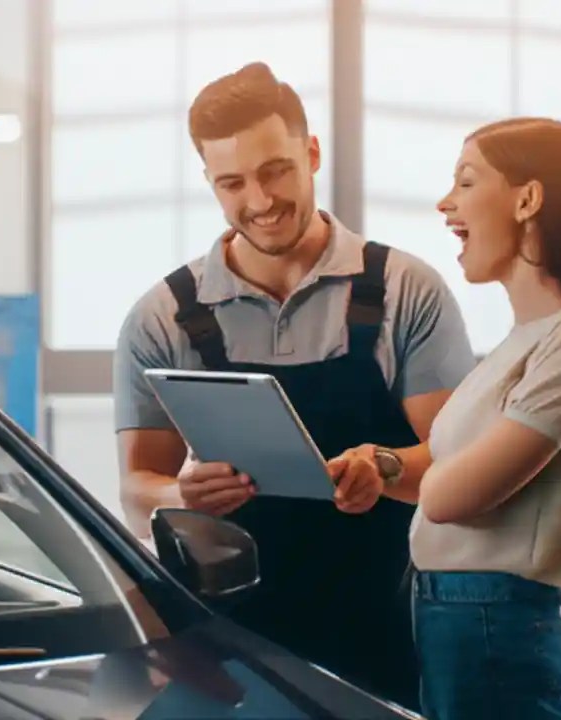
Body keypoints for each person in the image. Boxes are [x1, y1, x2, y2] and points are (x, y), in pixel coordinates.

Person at [112, 61, 476, 710]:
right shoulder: (163, 315)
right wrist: (182, 493)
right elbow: (137, 491)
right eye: (232, 182)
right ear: (210, 183)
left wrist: (385, 467)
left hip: (382, 639)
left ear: (310, 153)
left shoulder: (403, 292)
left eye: (275, 170)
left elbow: (456, 466)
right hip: (224, 651)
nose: (259, 200)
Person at [327, 117, 561, 719]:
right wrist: (382, 461)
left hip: (499, 637)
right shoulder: (520, 342)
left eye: (467, 183)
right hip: (461, 628)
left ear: (528, 199)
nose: (445, 204)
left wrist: (404, 466)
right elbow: (444, 466)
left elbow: (452, 494)